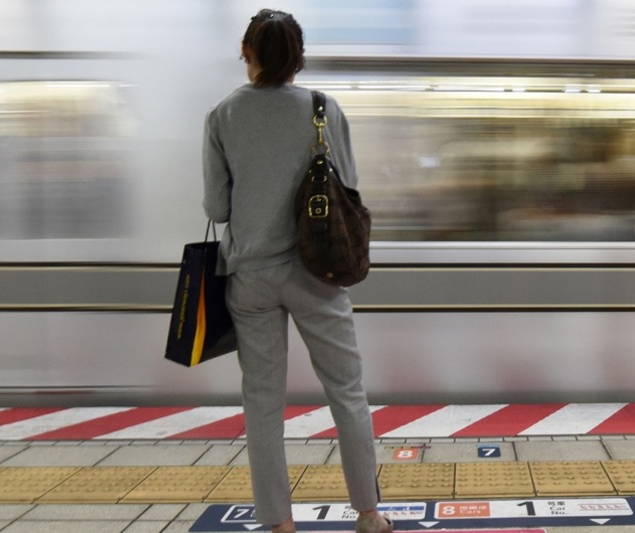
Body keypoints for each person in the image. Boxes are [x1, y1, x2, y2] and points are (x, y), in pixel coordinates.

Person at [201, 9, 392, 533]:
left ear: (248, 52)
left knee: (262, 403)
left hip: (251, 278)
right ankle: (369, 514)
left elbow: (217, 208)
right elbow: (349, 187)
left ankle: (279, 524)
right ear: (299, 57)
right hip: (317, 273)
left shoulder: (222, 115)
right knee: (346, 391)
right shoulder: (323, 109)